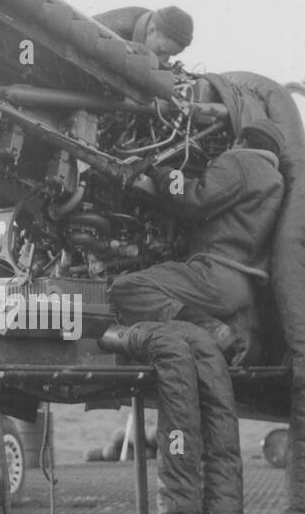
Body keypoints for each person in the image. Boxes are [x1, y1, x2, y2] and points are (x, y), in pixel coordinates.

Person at [108, 118, 288, 366]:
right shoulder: (277, 181)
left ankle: (210, 330)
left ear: (241, 141)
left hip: (215, 275)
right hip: (246, 289)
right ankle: (217, 333)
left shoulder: (239, 160)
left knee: (126, 287)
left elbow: (194, 198)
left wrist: (164, 174)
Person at [94, 5, 194, 63]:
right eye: (161, 51)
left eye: (169, 55)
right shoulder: (111, 33)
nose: (161, 60)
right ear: (152, 30)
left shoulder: (152, 21)